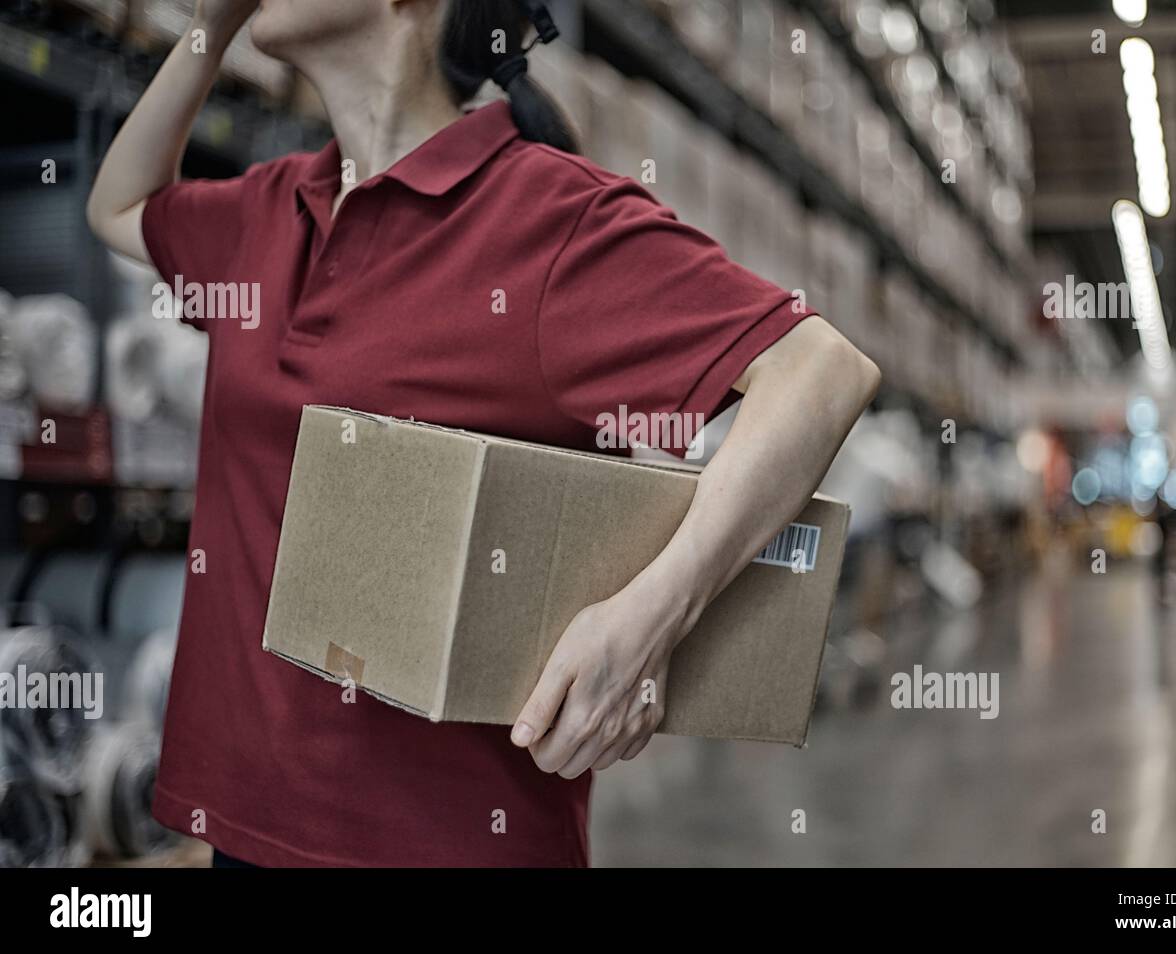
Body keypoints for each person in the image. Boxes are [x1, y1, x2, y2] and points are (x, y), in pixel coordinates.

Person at [85, 0, 881, 867]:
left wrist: (656, 615)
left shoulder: (546, 220)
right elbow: (119, 203)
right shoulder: (267, 211)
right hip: (244, 828)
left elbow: (821, 373)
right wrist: (207, 29)